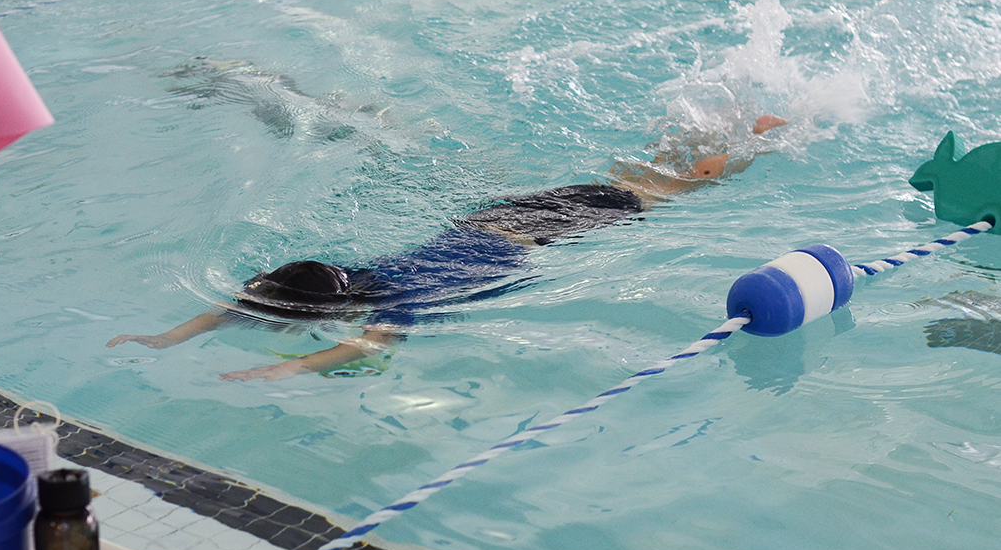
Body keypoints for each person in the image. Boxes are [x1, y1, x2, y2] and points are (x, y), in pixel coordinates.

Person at [108, 115, 788, 381]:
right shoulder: (362, 276)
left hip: (533, 230)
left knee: (663, 193)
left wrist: (276, 372)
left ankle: (756, 138)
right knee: (636, 183)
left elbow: (365, 348)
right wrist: (164, 339)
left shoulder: (394, 297)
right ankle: (710, 132)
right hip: (493, 220)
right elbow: (249, 304)